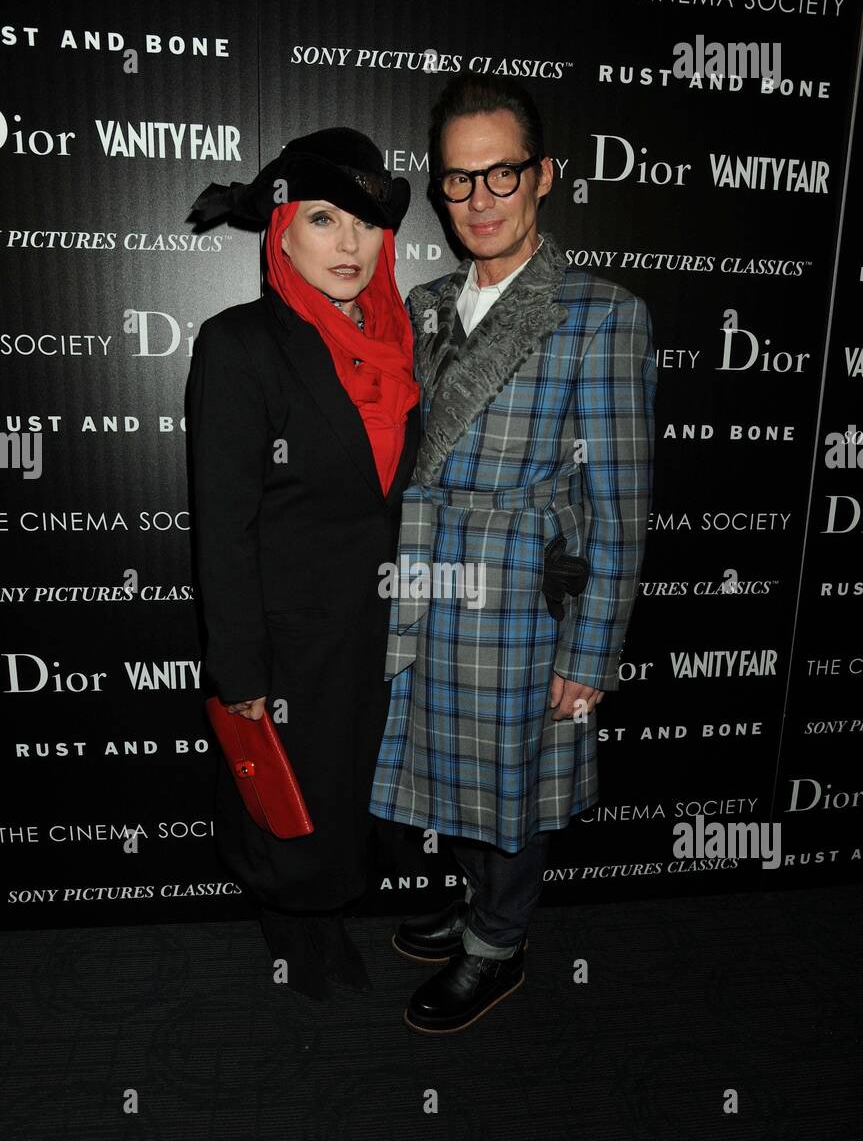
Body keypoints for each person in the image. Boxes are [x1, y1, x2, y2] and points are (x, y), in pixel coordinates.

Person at [369, 73, 657, 1034]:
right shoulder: (423, 303)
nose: (479, 201)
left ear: (543, 178)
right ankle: (475, 904)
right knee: (452, 770)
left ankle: (498, 944)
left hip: (521, 597)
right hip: (424, 576)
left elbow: (619, 504)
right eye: (458, 181)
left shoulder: (600, 313)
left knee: (512, 777)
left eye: (501, 176)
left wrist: (591, 654)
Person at [186, 129, 420, 1001]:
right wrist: (239, 667)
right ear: (281, 230)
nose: (350, 244)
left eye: (365, 223)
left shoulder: (403, 344)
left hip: (383, 629)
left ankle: (328, 913)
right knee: (293, 804)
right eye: (325, 219)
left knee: (358, 789)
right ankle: (295, 933)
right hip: (290, 639)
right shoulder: (240, 343)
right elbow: (224, 523)